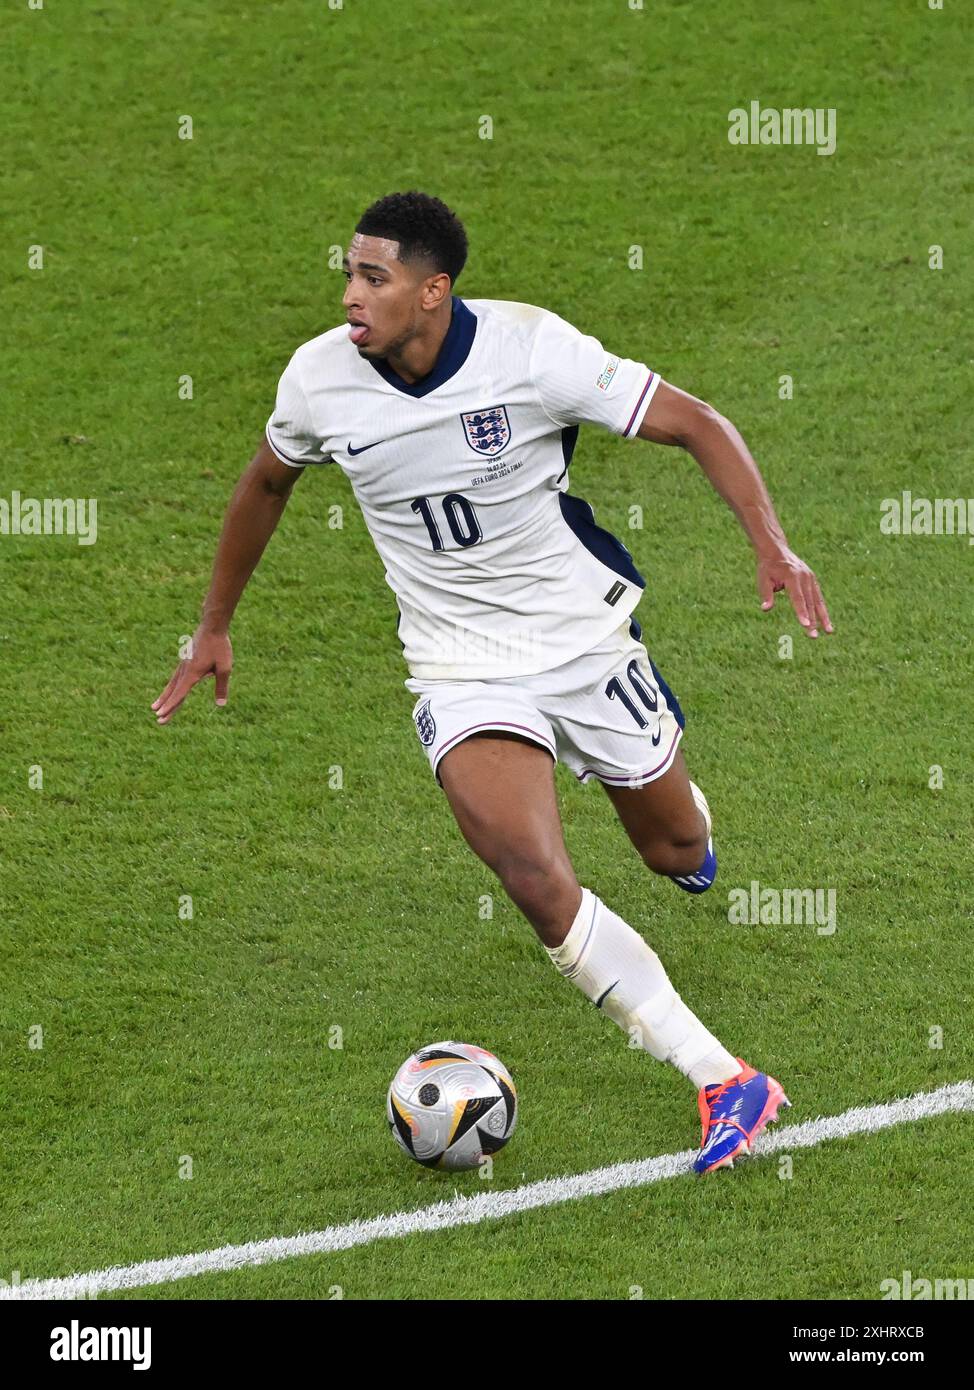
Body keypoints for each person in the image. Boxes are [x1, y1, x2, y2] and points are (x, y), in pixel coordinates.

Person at [152, 191, 832, 1173]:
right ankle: (720, 1074)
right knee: (529, 873)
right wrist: (213, 625)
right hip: (459, 662)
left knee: (674, 848)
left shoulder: (531, 352)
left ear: (433, 291)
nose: (349, 294)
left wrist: (771, 543)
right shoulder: (317, 381)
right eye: (348, 272)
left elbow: (693, 422)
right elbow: (266, 483)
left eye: (372, 278)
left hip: (582, 642)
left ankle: (678, 812)